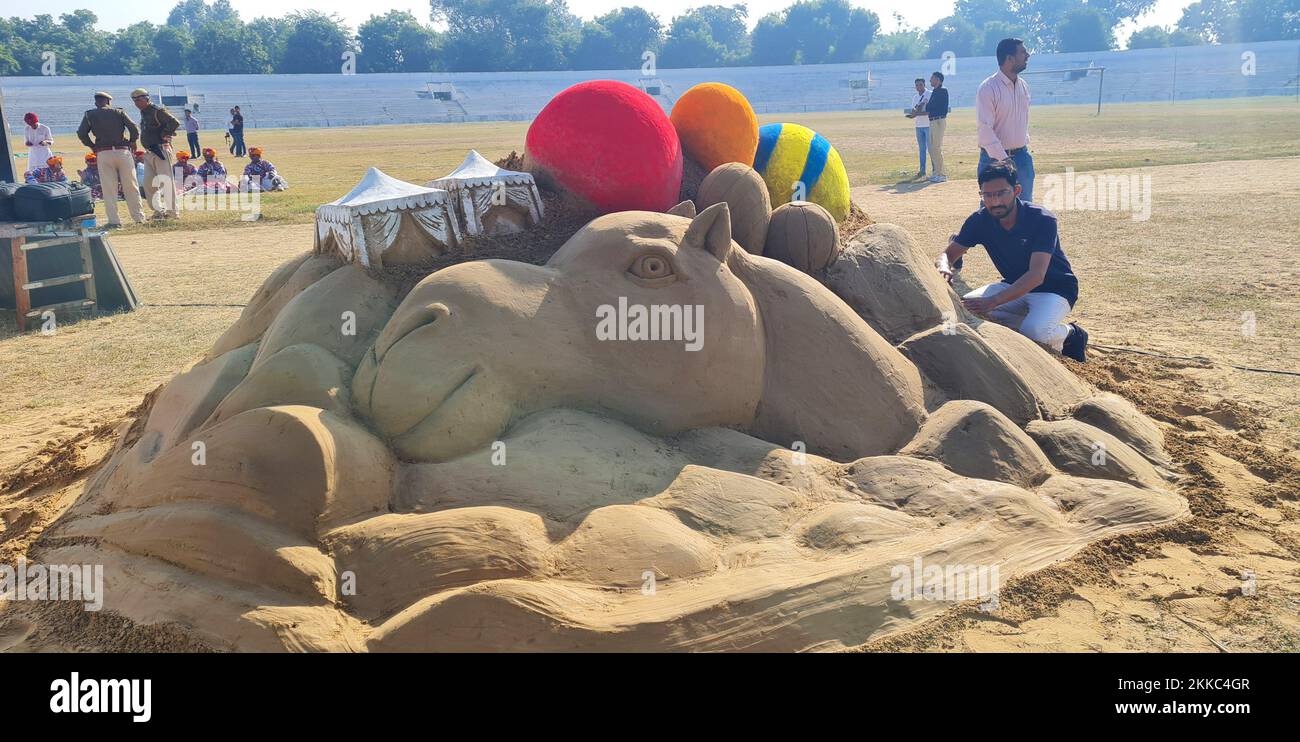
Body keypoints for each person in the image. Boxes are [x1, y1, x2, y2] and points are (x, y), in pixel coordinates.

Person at [935, 161, 1088, 362]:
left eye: (1001, 193)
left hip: (1055, 289)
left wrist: (993, 301)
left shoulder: (1042, 219)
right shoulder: (979, 220)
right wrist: (944, 267)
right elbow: (947, 255)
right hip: (1012, 285)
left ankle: (1071, 334)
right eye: (987, 195)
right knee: (964, 310)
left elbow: (1036, 275)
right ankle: (1025, 321)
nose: (994, 201)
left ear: (1016, 190)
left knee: (1034, 333)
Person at [977, 38, 1035, 201]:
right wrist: (1005, 160)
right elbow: (985, 130)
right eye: (1022, 52)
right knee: (993, 211)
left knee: (1024, 210)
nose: (1028, 55)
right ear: (1009, 58)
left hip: (1022, 157)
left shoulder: (1023, 85)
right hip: (994, 161)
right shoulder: (988, 88)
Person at [76, 91, 145, 227]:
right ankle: (139, 218)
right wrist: (132, 141)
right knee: (131, 186)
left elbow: (82, 133)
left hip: (103, 152)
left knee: (109, 188)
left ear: (96, 103)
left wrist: (92, 146)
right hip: (122, 152)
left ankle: (114, 221)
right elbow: (134, 129)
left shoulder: (89, 114)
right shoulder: (119, 112)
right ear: (109, 102)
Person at [131, 87, 181, 220]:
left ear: (147, 99)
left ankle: (172, 213)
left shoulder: (157, 111)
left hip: (160, 150)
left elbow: (174, 122)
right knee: (149, 184)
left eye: (139, 99)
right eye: (135, 100)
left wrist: (166, 133)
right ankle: (158, 211)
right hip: (149, 152)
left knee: (166, 182)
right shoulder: (145, 112)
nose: (137, 103)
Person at [926, 72, 950, 183]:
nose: (930, 81)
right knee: (931, 148)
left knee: (936, 147)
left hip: (938, 121)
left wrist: (929, 106)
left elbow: (933, 106)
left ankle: (942, 174)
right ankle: (936, 172)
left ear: (938, 80)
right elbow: (929, 107)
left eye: (932, 78)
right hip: (932, 121)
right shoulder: (935, 91)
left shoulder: (942, 91)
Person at [905, 78, 931, 179]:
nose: (918, 87)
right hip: (918, 126)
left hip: (928, 125)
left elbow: (929, 111)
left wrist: (916, 113)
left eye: (920, 85)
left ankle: (935, 169)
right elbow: (914, 110)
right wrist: (913, 114)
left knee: (931, 149)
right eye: (917, 85)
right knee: (922, 149)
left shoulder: (930, 94)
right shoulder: (915, 97)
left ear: (924, 84)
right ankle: (922, 170)